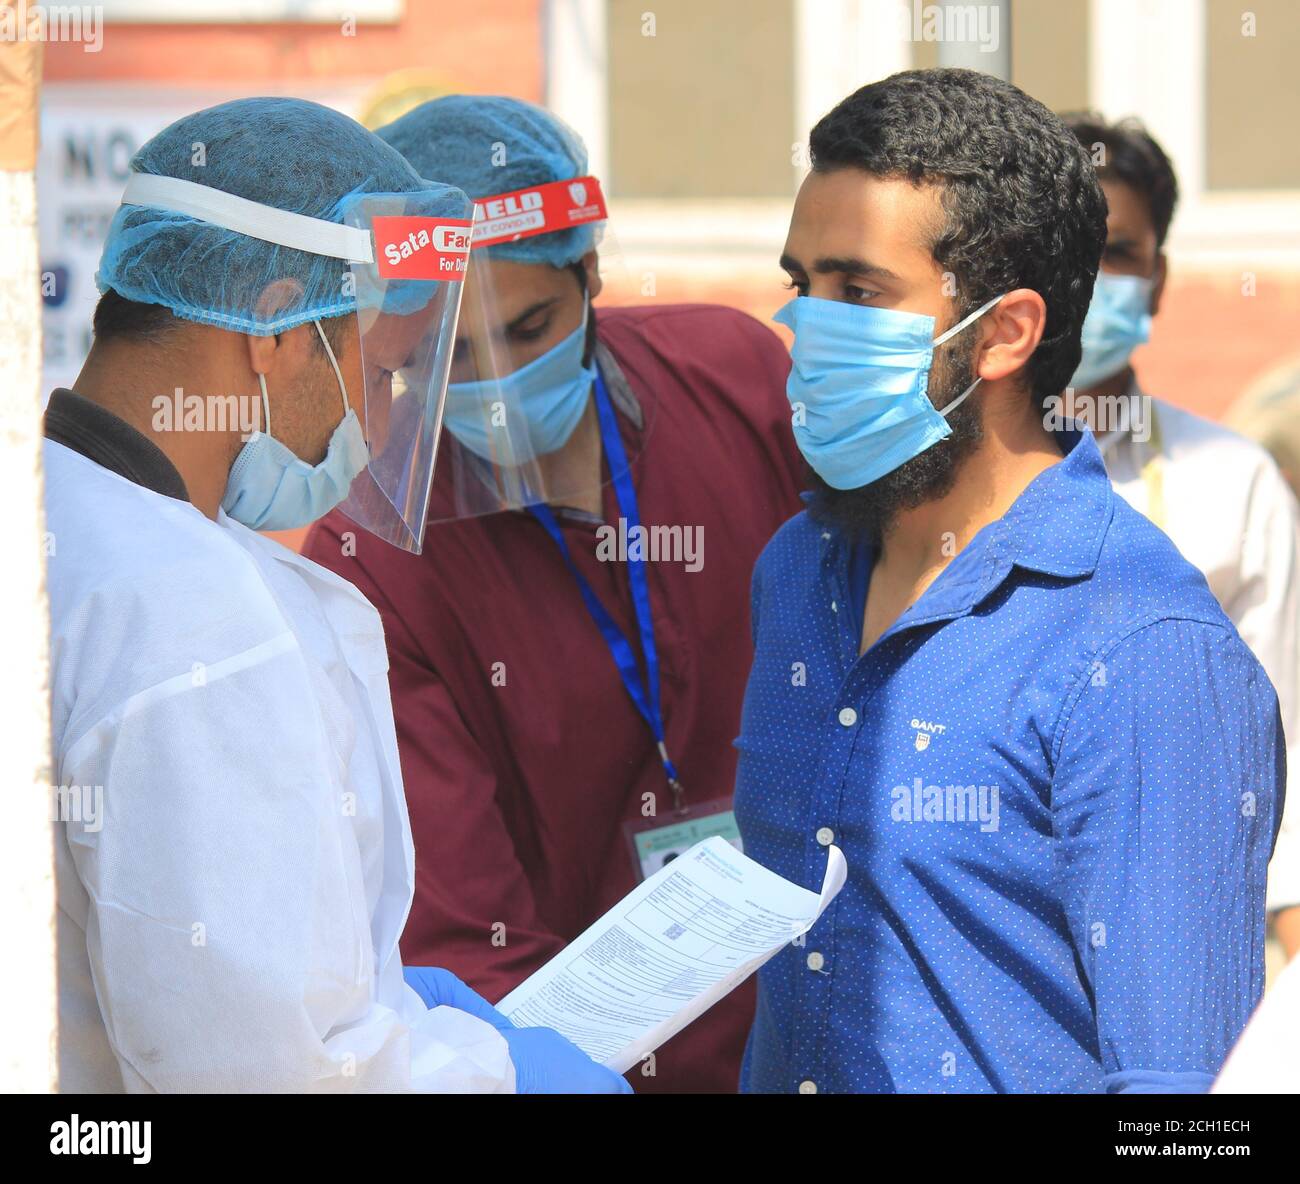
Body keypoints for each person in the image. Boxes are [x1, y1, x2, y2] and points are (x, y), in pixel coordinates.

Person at [46, 96, 629, 1093]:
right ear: (275, 327)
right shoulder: (196, 620)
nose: (383, 413)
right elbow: (272, 1074)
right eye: (384, 366)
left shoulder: (56, 509)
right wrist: (495, 1077)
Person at [735, 69, 1284, 1094]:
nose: (806, 329)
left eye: (857, 292)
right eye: (799, 282)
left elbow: (1186, 1102)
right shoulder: (796, 569)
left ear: (1003, 332)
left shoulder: (1142, 650)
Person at [303, 95, 804, 1093]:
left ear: (591, 272)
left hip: (817, 1007)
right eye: (449, 351)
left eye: (529, 327)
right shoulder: (368, 559)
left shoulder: (733, 376)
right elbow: (456, 931)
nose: (493, 383)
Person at [1061, 113, 1300, 962]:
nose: (1092, 278)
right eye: (1069, 245)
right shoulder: (934, 480)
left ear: (1158, 278)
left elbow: (1286, 733)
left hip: (1183, 927)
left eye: (1118, 253)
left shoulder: (1232, 482)